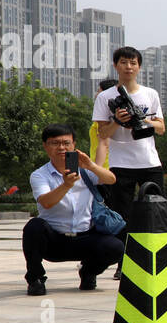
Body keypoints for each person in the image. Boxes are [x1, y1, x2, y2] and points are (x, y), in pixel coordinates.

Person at [23, 124, 125, 296]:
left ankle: (88, 272)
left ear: (74, 145)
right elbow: (46, 202)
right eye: (55, 143)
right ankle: (35, 279)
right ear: (45, 146)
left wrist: (91, 165)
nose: (61, 147)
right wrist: (66, 185)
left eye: (66, 143)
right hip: (55, 240)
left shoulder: (85, 172)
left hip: (85, 237)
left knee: (115, 247)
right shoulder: (40, 175)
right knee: (34, 227)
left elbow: (111, 179)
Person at [92, 47, 163, 278]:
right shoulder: (105, 97)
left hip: (149, 162)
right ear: (116, 65)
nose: (128, 67)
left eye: (133, 63)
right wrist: (118, 121)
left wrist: (142, 120)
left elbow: (161, 128)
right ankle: (125, 263)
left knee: (155, 212)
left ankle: (156, 259)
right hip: (121, 164)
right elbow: (103, 133)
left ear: (139, 67)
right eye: (123, 62)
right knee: (121, 216)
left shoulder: (150, 94)